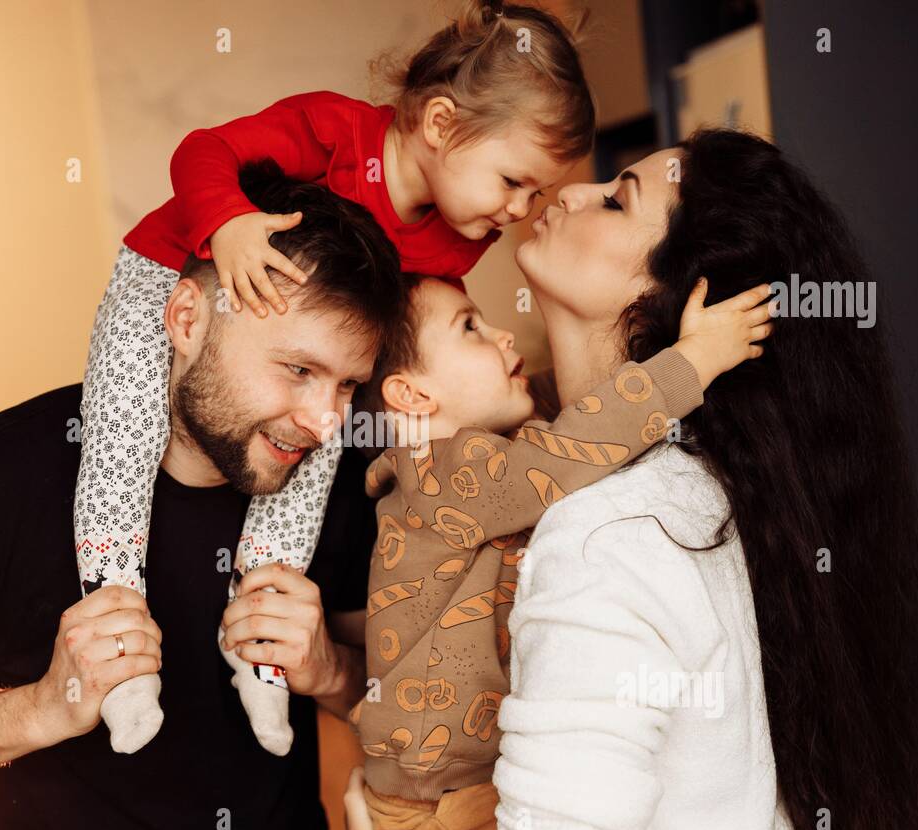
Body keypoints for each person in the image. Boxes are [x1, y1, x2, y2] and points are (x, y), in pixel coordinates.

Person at [346, 129, 918, 830]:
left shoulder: (606, 531)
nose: (564, 192)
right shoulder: (692, 487)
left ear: (669, 291)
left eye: (613, 199)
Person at [0, 168, 403, 830]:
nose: (325, 421)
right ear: (185, 320)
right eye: (298, 369)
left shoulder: (341, 481)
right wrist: (43, 707)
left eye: (347, 384)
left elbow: (401, 703)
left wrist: (328, 669)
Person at [73, 2, 600, 737]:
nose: (519, 209)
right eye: (514, 180)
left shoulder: (459, 243)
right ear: (441, 125)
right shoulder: (336, 132)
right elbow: (202, 151)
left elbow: (420, 349)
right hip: (171, 272)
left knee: (308, 476)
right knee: (121, 449)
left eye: (535, 194)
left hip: (311, 360)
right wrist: (226, 223)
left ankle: (260, 655)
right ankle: (125, 662)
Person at [346, 271, 769, 830]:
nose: (503, 335)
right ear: (413, 396)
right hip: (442, 793)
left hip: (456, 777)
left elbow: (582, 410)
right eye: (470, 327)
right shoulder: (436, 470)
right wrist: (692, 361)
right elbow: (572, 446)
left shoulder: (482, 460)